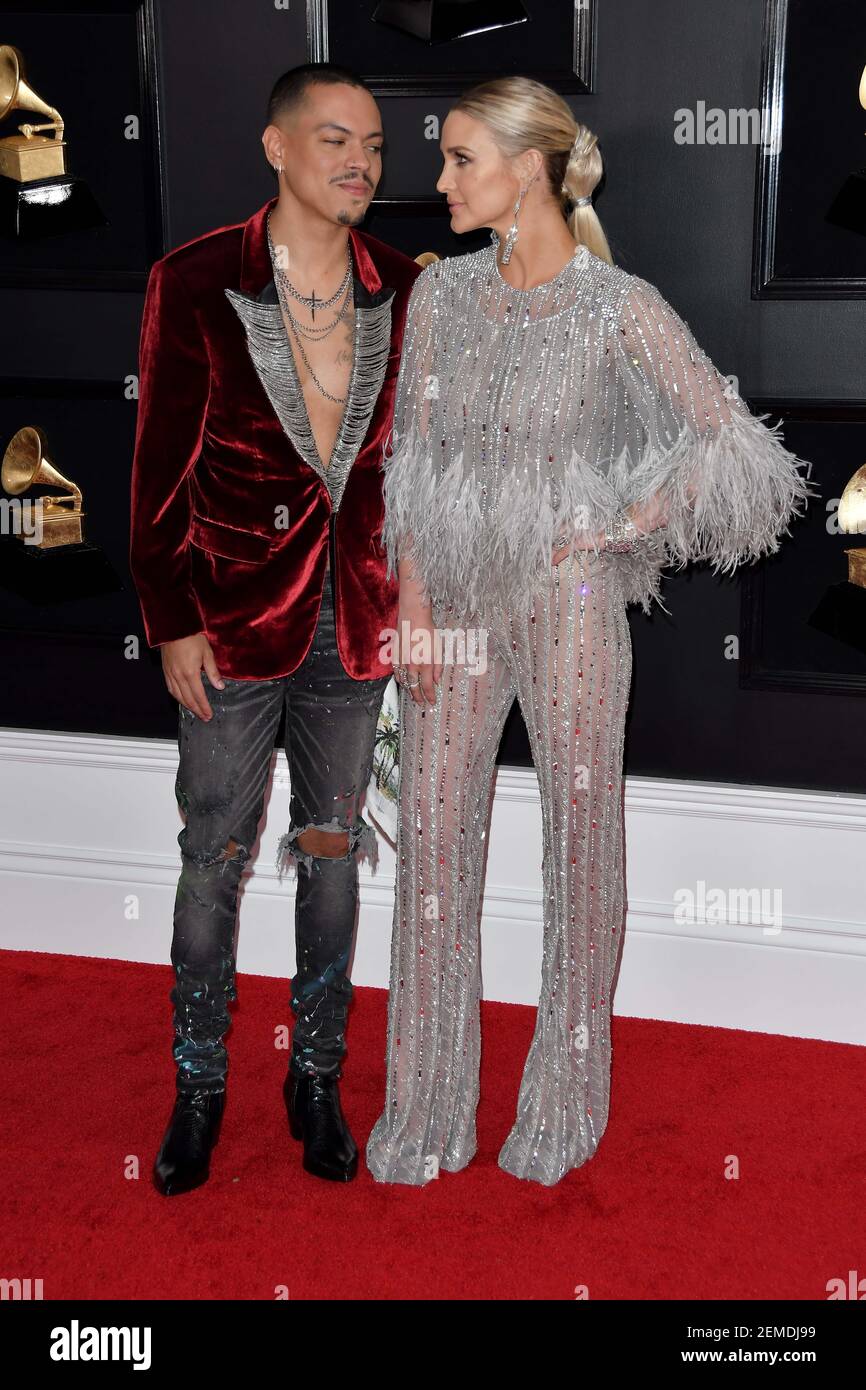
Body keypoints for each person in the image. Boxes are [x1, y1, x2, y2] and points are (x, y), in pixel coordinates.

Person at [365, 76, 818, 1187]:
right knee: (430, 841)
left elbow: (734, 447)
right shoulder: (440, 299)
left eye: (461, 158)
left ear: (526, 169)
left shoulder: (619, 306)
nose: (439, 180)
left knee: (576, 845)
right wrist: (411, 603)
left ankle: (561, 1104)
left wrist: (616, 522)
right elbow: (409, 466)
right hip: (454, 604)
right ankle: (425, 1110)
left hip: (570, 606)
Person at [129, 62, 422, 1194]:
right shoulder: (196, 279)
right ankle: (198, 1084)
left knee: (333, 855)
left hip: (351, 625)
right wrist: (170, 619)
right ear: (277, 147)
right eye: (337, 140)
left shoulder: (402, 286)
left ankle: (318, 1080)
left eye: (375, 148)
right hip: (231, 626)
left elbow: (414, 473)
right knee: (211, 862)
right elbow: (157, 466)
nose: (360, 162)